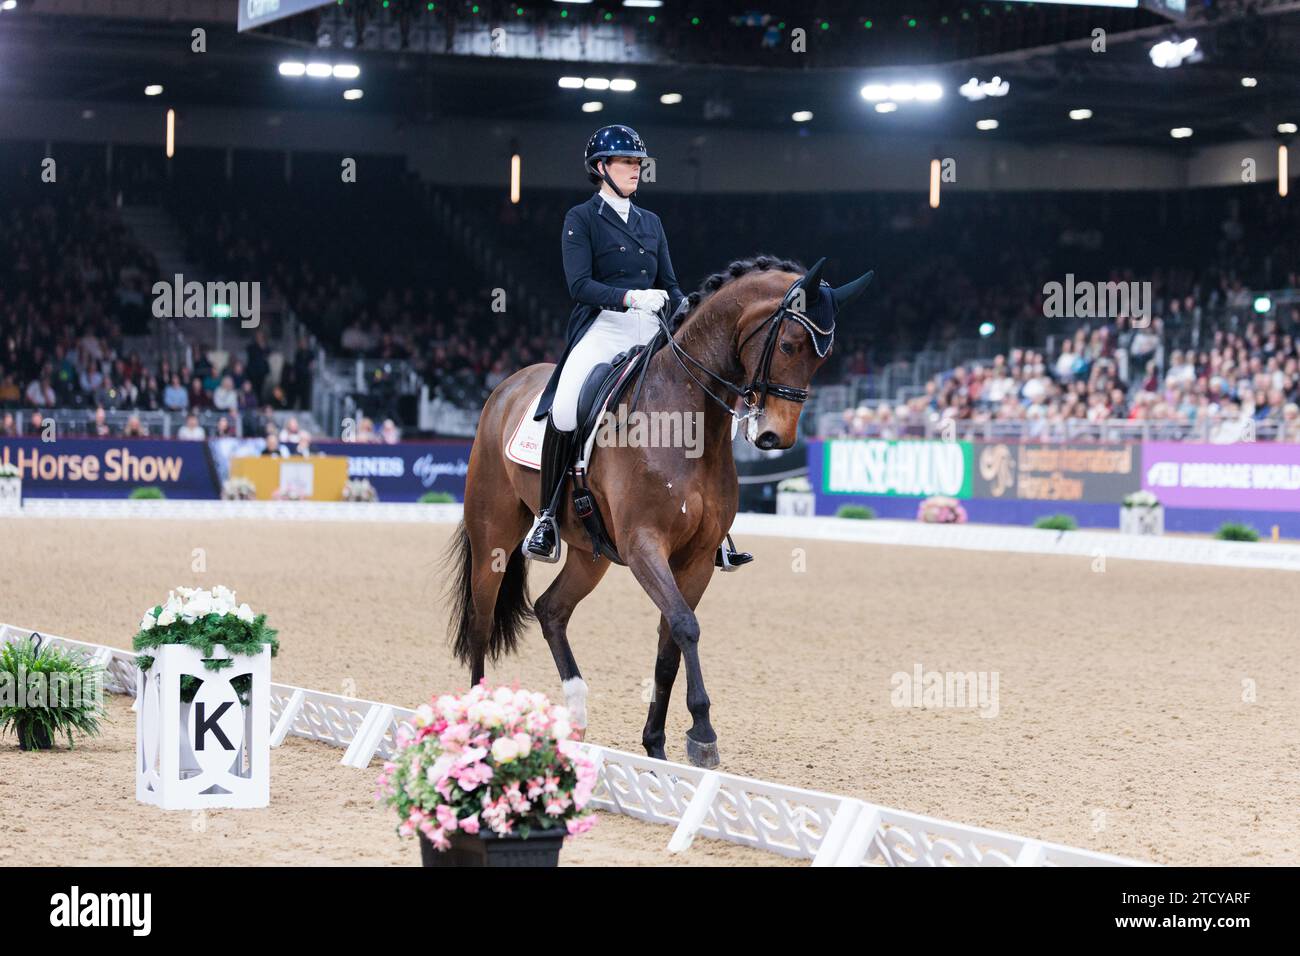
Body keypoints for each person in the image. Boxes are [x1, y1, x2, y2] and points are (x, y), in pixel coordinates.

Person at [522, 124, 752, 570]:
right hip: (604, 327)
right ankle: (548, 517)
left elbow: (669, 283)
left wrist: (688, 308)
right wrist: (628, 297)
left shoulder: (651, 223)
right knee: (568, 407)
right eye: (627, 163)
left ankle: (716, 528)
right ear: (602, 168)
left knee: (699, 404)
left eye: (638, 164)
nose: (636, 170)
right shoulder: (581, 218)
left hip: (651, 330)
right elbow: (579, 285)